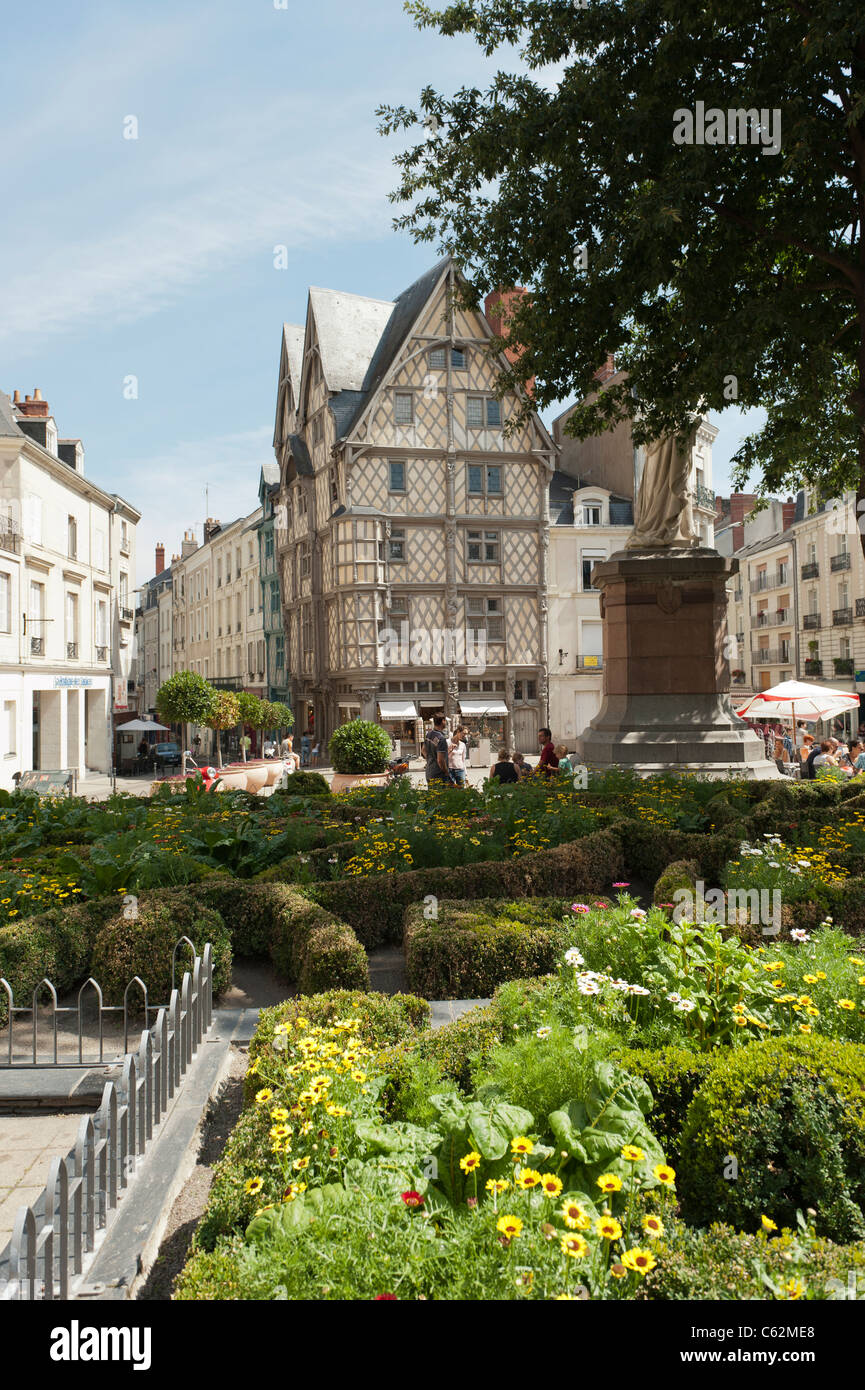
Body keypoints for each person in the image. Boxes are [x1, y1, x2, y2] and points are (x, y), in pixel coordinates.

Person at [425, 712, 453, 785]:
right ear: (443, 721)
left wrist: (430, 760)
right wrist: (446, 773)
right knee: (441, 795)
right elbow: (440, 760)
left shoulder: (429, 734)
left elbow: (423, 750)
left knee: (431, 795)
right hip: (438, 775)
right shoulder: (441, 739)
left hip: (429, 771)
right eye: (445, 721)